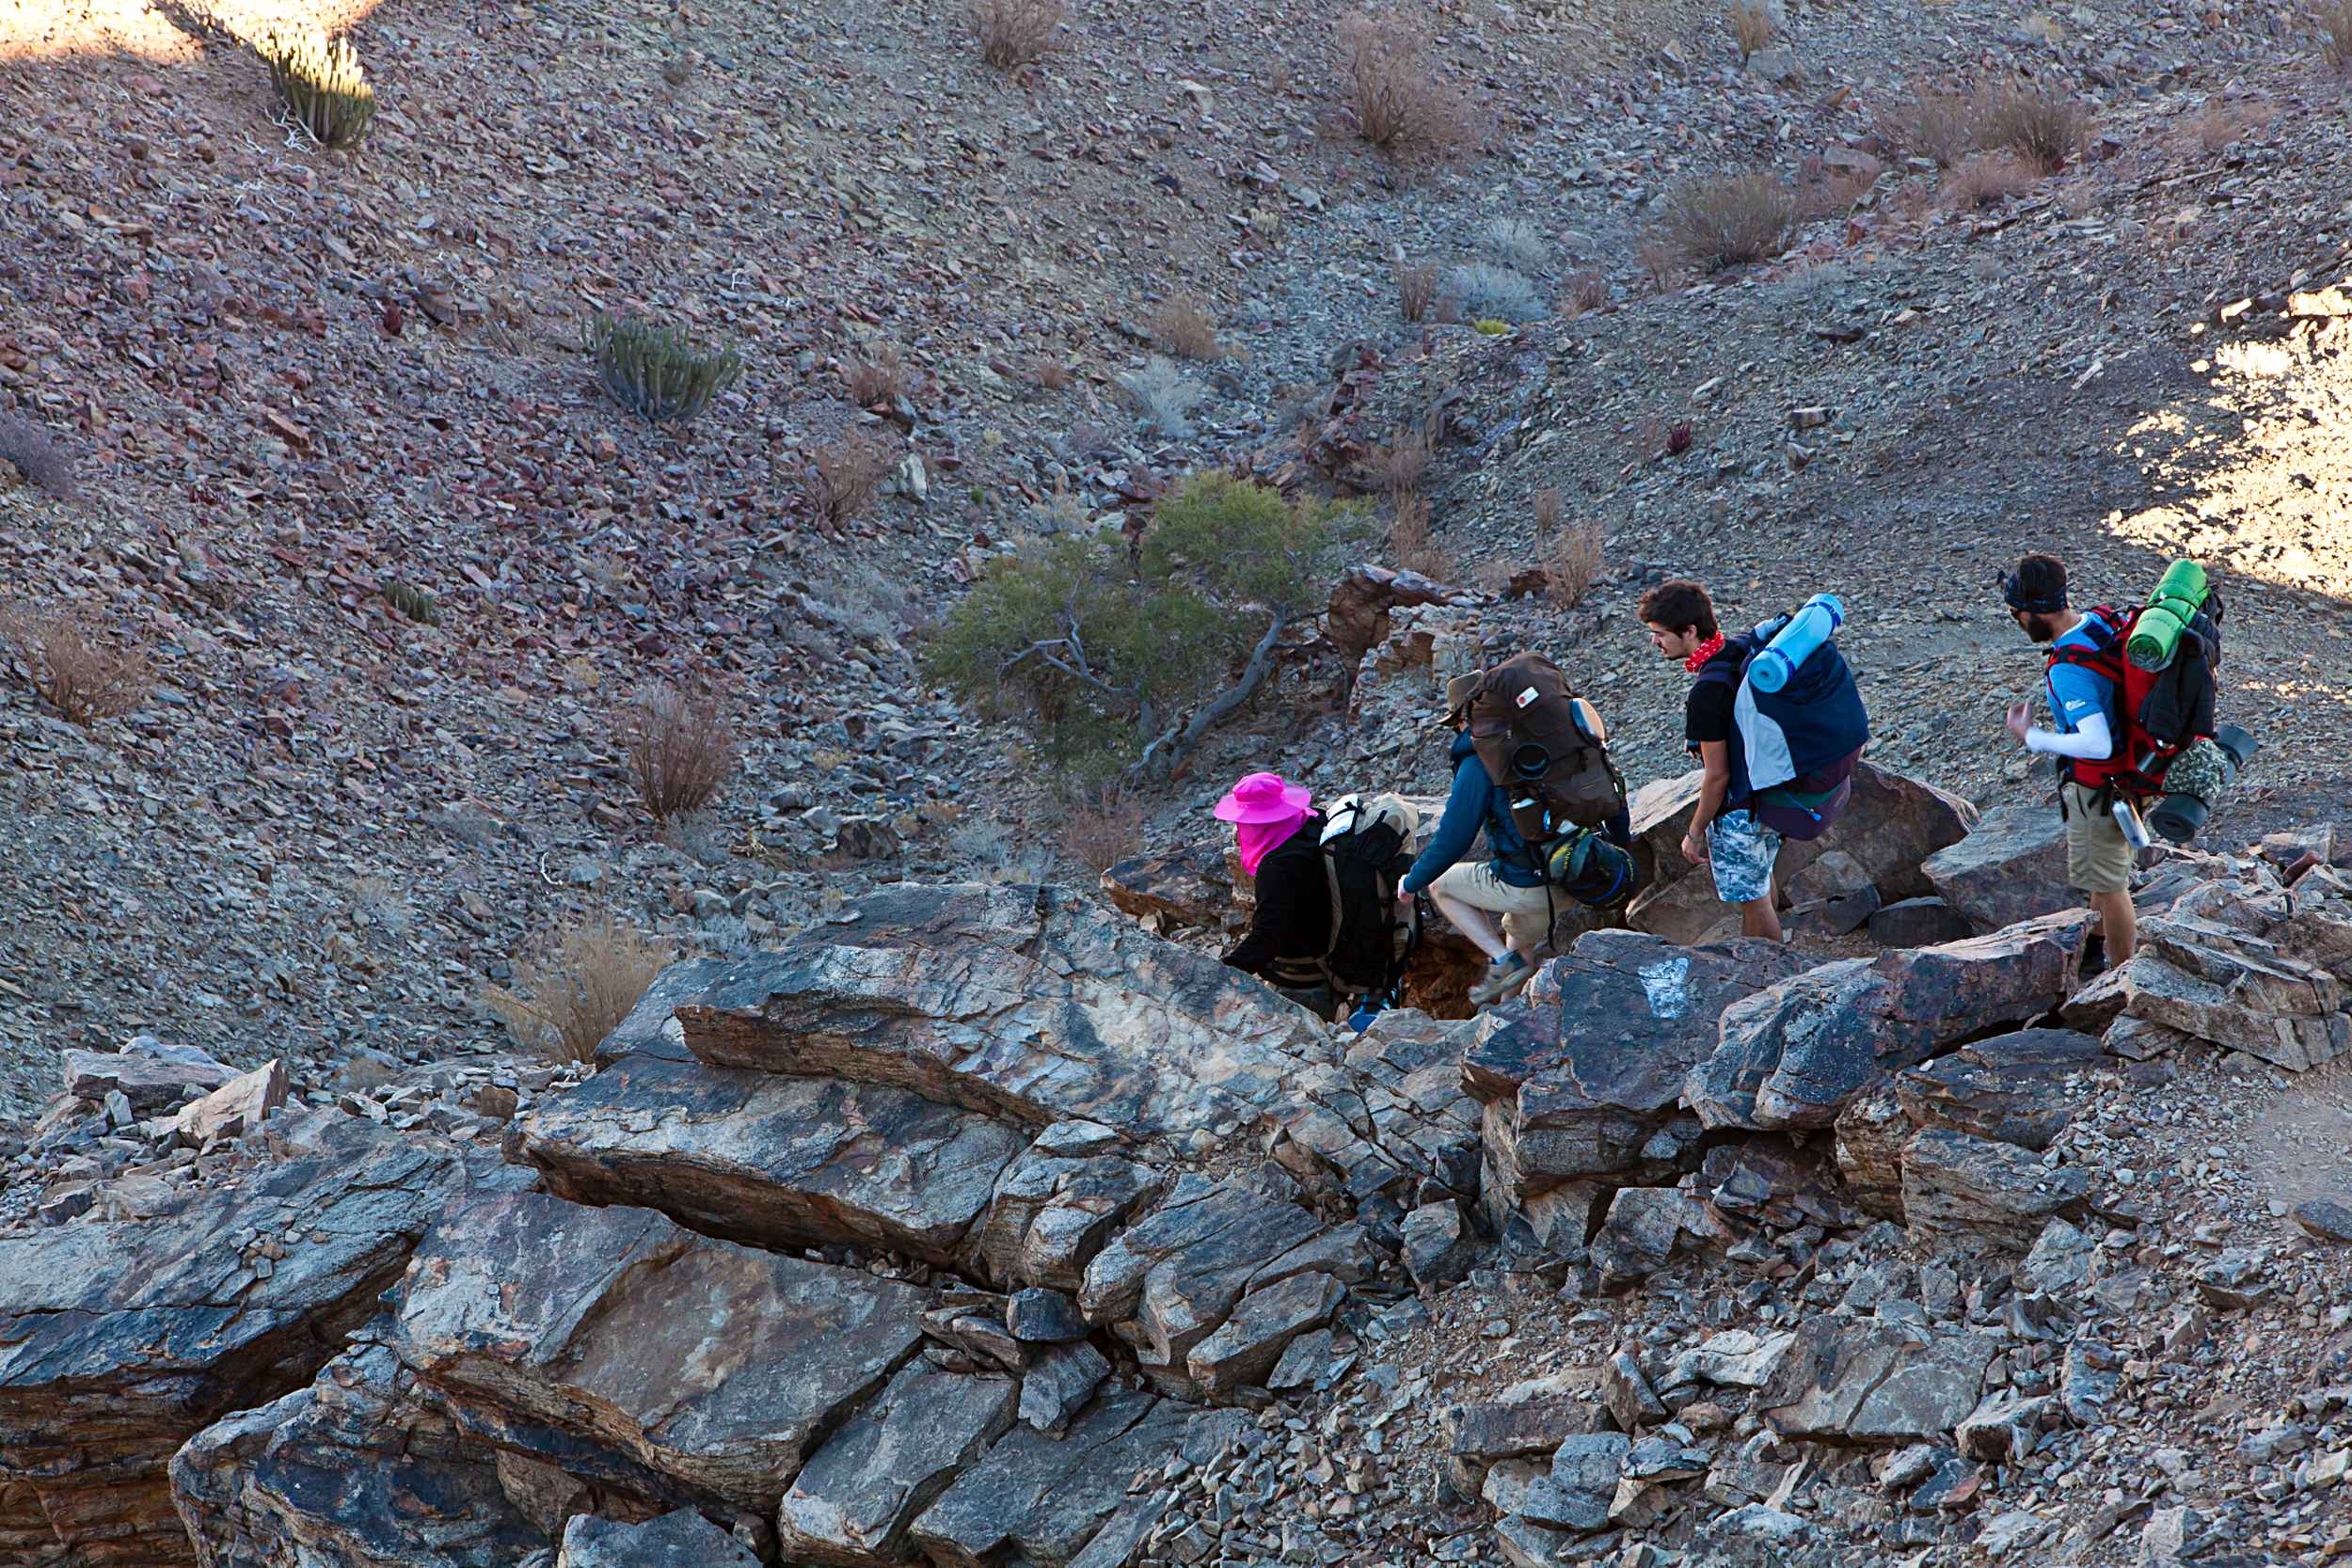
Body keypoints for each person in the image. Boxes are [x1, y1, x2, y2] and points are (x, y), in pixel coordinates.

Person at [1999, 553, 2137, 964]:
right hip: (2131, 773)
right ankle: (2093, 946)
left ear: (2034, 612)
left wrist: (2034, 736)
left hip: (2100, 788)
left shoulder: (2068, 669)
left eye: (2017, 615)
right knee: (2102, 874)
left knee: (2112, 888)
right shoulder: (2099, 621)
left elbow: (2097, 744)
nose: (2019, 623)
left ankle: (2123, 978)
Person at [1393, 673, 1559, 1006]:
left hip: (1532, 884)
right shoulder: (1543, 734)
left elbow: (1455, 838)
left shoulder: (1480, 759)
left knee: (1441, 885)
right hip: (1575, 870)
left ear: (1465, 718)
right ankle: (1506, 1016)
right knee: (1520, 941)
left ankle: (1500, 958)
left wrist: (1411, 883)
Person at [1640, 578, 1783, 942]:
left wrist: (1695, 831)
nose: (1654, 642)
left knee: (1754, 903)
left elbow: (1717, 776)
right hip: (1768, 793)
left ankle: (1768, 980)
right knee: (1761, 883)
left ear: (1689, 631)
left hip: (1738, 808)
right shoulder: (1736, 652)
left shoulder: (1707, 691)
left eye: (1659, 634)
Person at [1215, 772, 1340, 1019]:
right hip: (1330, 965)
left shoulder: (1278, 866)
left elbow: (1268, 937)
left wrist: (1219, 972)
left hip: (1302, 982)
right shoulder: (1312, 825)